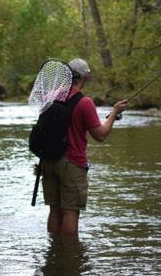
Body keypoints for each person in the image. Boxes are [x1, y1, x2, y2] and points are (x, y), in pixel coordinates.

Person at [41, 58, 127, 236]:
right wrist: (114, 114)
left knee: (54, 209)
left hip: (47, 161)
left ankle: (54, 251)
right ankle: (70, 255)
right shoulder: (85, 102)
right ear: (85, 77)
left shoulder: (50, 97)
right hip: (72, 163)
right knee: (71, 210)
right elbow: (100, 135)